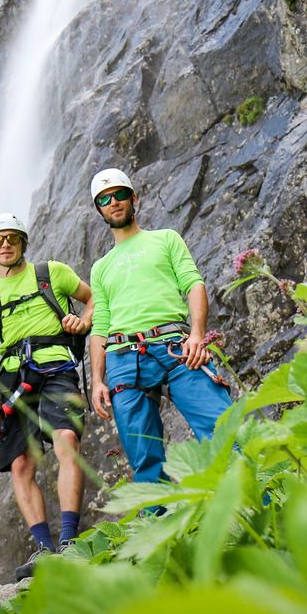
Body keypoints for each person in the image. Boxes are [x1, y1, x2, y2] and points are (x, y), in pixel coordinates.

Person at [87, 168, 232, 485]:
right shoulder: (100, 268)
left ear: (134, 198)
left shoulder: (166, 239)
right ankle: (161, 518)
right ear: (99, 209)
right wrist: (97, 380)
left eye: (119, 195)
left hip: (176, 346)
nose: (113, 202)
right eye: (104, 199)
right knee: (145, 462)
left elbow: (193, 284)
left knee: (222, 431)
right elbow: (100, 326)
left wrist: (197, 335)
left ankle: (260, 506)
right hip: (123, 358)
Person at [0, 213, 94, 580]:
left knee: (67, 439)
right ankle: (44, 548)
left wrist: (84, 321)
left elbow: (93, 298)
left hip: (55, 368)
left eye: (12, 238)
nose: (5, 244)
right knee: (21, 464)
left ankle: (69, 541)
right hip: (12, 379)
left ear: (23, 242)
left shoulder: (51, 272)